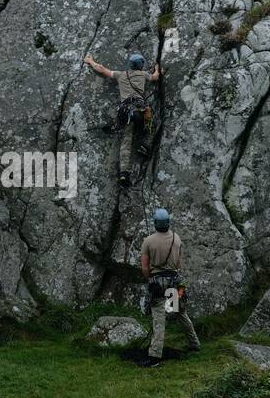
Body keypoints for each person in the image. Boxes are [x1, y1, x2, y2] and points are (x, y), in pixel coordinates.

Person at [83, 52, 160, 187]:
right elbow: (155, 78)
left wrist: (90, 61)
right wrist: (158, 69)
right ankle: (145, 145)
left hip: (125, 112)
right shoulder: (143, 75)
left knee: (126, 140)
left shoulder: (121, 75)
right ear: (141, 65)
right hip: (139, 110)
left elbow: (102, 69)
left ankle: (124, 173)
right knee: (151, 124)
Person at [140, 207, 201, 368]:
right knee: (179, 312)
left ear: (155, 223)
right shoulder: (177, 238)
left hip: (158, 285)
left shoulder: (148, 241)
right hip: (174, 284)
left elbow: (145, 268)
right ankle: (194, 343)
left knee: (159, 319)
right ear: (168, 223)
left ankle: (154, 356)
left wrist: (151, 279)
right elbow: (179, 264)